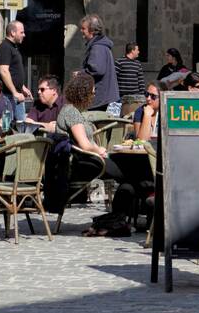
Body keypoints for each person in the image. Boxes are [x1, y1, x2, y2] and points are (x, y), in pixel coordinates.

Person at [54, 70, 144, 236]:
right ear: (84, 92)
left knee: (131, 175)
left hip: (89, 158)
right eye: (93, 91)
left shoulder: (75, 112)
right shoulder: (71, 112)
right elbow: (85, 144)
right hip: (84, 162)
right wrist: (100, 150)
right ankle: (116, 220)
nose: (94, 95)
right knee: (131, 174)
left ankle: (117, 220)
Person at [79, 14, 120, 112]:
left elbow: (97, 70)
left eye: (83, 28)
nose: (81, 31)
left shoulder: (97, 47)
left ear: (92, 31)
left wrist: (81, 74)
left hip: (102, 101)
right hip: (107, 100)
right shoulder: (100, 46)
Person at [0, 20, 33, 122]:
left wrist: (22, 87)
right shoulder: (5, 48)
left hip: (15, 95)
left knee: (20, 126)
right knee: (10, 126)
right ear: (12, 33)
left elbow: (13, 71)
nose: (24, 35)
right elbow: (4, 71)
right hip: (9, 96)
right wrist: (14, 92)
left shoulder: (13, 47)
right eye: (21, 32)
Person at [115, 42, 146, 114]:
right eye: (137, 50)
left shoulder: (137, 63)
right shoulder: (119, 62)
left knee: (134, 118)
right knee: (118, 117)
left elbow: (141, 80)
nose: (139, 52)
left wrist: (142, 97)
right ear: (132, 50)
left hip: (135, 98)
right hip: (121, 98)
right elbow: (114, 79)